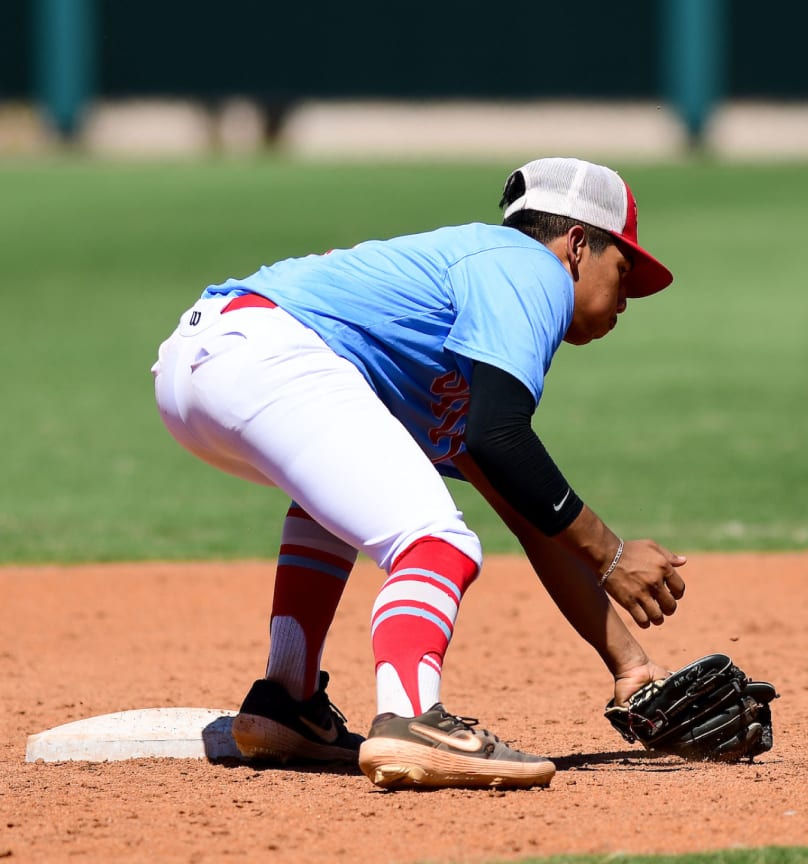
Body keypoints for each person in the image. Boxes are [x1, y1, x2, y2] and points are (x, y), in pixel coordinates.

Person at [152, 156, 689, 790]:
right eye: (623, 270)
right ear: (575, 245)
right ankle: (410, 718)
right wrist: (613, 552)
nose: (626, 298)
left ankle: (287, 699)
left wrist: (629, 663)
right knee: (438, 541)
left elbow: (530, 517)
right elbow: (501, 436)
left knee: (339, 504)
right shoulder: (529, 268)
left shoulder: (460, 327)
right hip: (266, 354)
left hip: (203, 363)